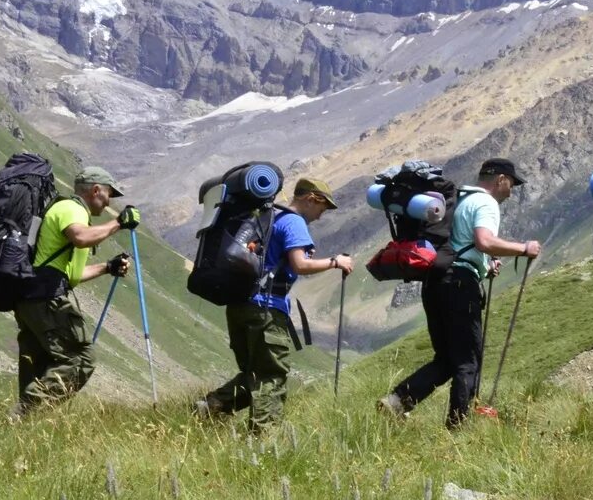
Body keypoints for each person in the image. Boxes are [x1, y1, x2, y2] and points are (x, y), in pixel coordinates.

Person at [379, 158, 541, 428]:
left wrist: (484, 263)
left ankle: (397, 402)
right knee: (468, 361)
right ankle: (458, 429)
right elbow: (484, 241)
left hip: (435, 281)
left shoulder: (457, 199)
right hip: (459, 286)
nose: (511, 191)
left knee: (445, 359)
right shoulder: (486, 203)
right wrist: (525, 248)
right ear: (500, 179)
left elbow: (458, 244)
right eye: (511, 183)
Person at [198, 179, 352, 431]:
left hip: (239, 305)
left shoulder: (269, 216)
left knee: (254, 373)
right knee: (272, 375)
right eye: (322, 209)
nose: (321, 216)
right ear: (312, 198)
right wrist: (336, 262)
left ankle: (209, 408)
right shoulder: (294, 222)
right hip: (266, 309)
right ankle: (262, 442)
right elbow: (300, 264)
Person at [13, 167, 139, 418]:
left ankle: (19, 427)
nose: (109, 202)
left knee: (39, 365)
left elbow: (70, 275)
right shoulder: (73, 209)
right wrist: (118, 223)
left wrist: (107, 267)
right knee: (80, 359)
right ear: (96, 190)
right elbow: (81, 237)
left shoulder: (63, 209)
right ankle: (23, 415)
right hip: (47, 298)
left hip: (31, 300)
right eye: (109, 194)